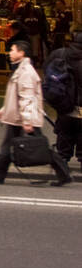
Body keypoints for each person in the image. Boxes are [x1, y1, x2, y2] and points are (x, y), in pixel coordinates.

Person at [0, 40, 71, 185]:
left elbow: (27, 97)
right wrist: (4, 110)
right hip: (19, 117)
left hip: (23, 118)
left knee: (38, 147)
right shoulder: (21, 70)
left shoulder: (26, 72)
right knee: (10, 146)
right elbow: (16, 96)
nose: (10, 53)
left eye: (13, 50)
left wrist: (27, 120)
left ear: (21, 53)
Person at [44, 31, 82, 177]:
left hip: (64, 105)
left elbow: (47, 69)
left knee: (64, 136)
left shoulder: (60, 54)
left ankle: (62, 168)